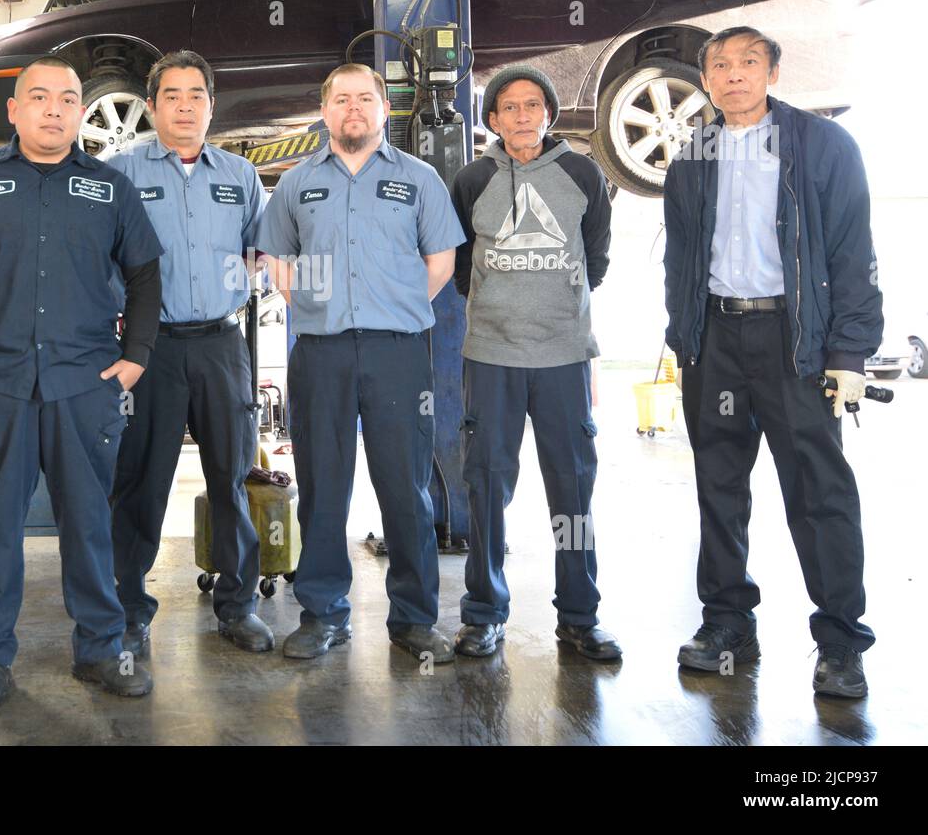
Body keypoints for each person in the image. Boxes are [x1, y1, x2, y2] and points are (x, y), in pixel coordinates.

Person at [0, 55, 164, 707]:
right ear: (14, 110)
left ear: (82, 112)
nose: (54, 109)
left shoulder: (110, 189)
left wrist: (135, 355)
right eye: (40, 97)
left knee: (88, 523)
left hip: (84, 384)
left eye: (67, 99)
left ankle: (102, 649)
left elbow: (145, 276)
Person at [663, 26, 882, 697]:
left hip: (794, 341)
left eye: (749, 62)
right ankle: (728, 620)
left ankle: (841, 643)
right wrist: (685, 336)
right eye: (720, 65)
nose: (734, 74)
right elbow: (681, 257)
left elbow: (853, 256)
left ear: (773, 73)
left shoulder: (822, 147)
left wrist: (849, 351)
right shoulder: (692, 155)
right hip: (716, 341)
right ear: (705, 80)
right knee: (719, 488)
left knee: (819, 493)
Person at [256, 63, 465, 662]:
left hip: (397, 352)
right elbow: (278, 261)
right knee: (324, 487)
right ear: (325, 112)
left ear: (384, 110)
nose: (354, 108)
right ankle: (324, 614)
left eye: (365, 98)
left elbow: (441, 260)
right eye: (341, 99)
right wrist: (318, 308)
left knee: (406, 487)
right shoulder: (296, 182)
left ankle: (415, 619)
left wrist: (393, 307)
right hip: (319, 353)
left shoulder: (420, 179)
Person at [450, 65, 620, 661]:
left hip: (563, 358)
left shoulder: (582, 174)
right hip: (491, 358)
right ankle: (484, 613)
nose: (522, 116)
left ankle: (579, 616)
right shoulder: (471, 179)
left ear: (547, 113)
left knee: (573, 489)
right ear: (492, 120)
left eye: (532, 105)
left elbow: (596, 257)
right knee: (486, 486)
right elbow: (461, 268)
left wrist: (556, 303)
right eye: (509, 108)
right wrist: (500, 301)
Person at [106, 51, 272, 656]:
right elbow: (100, 255)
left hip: (223, 345)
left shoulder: (240, 175)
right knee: (141, 482)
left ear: (211, 104)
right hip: (149, 349)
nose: (184, 106)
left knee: (230, 478)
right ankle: (128, 609)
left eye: (195, 95)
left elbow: (264, 253)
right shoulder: (121, 171)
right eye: (171, 95)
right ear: (151, 107)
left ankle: (238, 605)